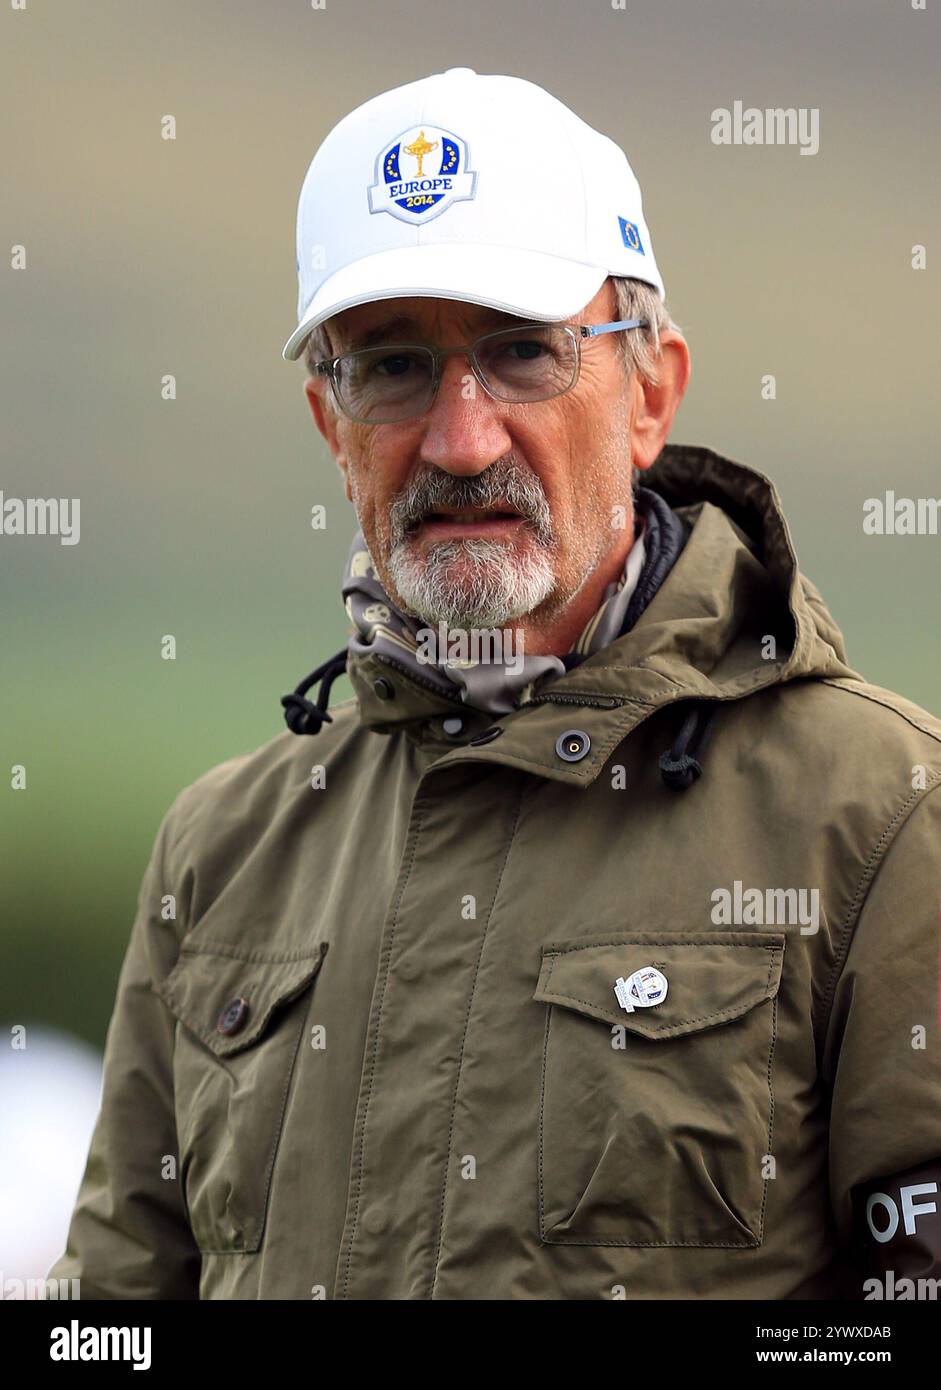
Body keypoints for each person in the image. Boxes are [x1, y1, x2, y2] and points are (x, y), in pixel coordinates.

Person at [49, 67, 941, 1301]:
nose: (461, 441)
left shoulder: (881, 814)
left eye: (523, 353)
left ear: (650, 390)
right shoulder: (219, 849)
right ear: (329, 422)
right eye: (394, 366)